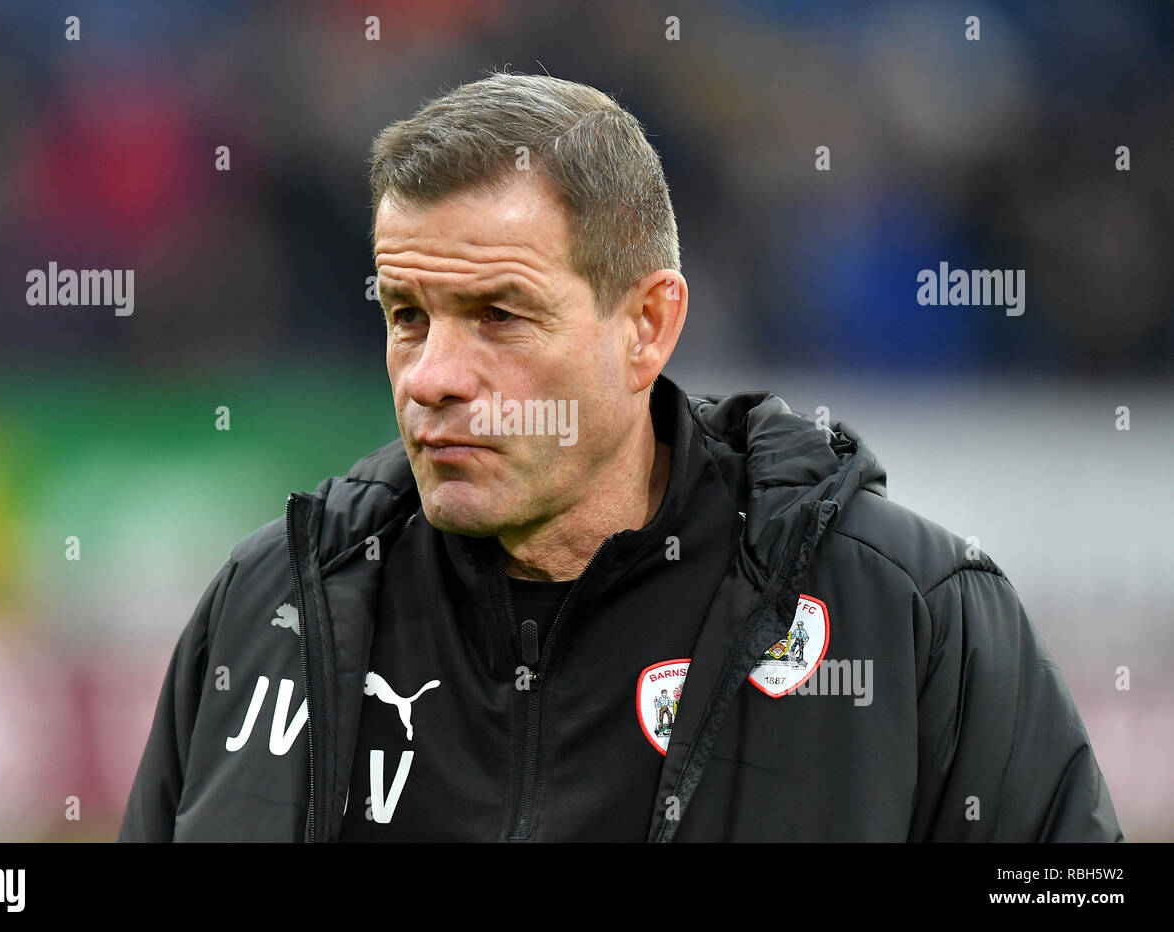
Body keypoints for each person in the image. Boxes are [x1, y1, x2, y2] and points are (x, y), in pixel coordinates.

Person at [118, 71, 1123, 842]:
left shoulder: (908, 616)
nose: (431, 375)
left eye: (498, 315)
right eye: (406, 315)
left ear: (646, 324)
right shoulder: (269, 613)